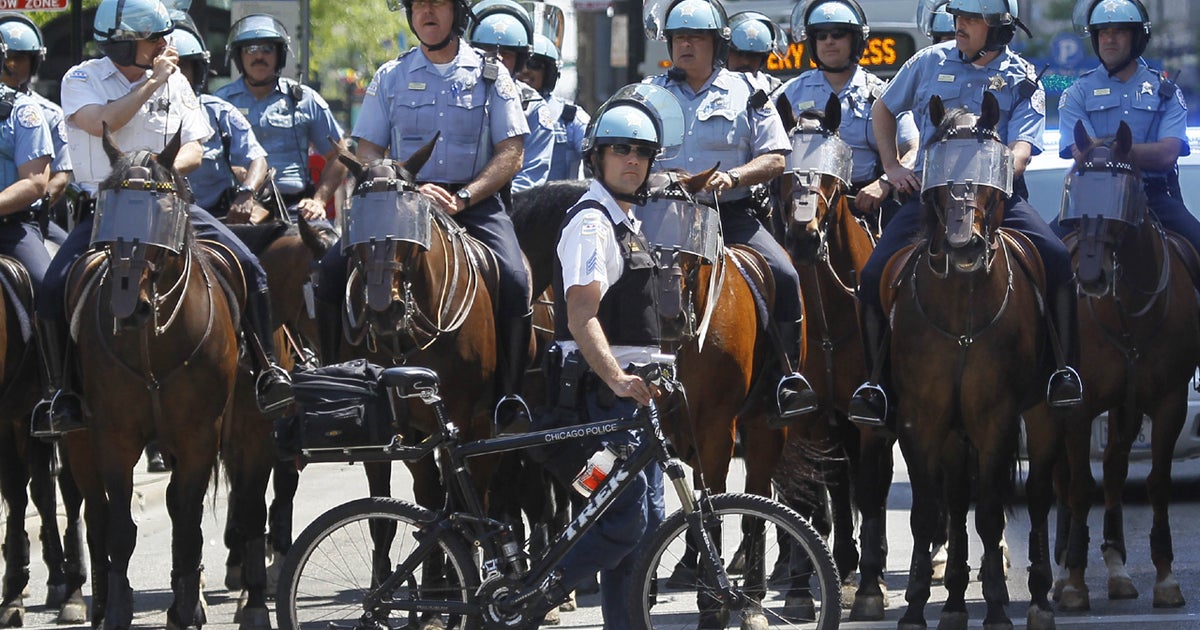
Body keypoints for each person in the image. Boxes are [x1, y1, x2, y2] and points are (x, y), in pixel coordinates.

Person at [32, 0, 292, 436]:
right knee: (52, 288)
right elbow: (103, 123)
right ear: (123, 44)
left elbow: (194, 147)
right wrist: (152, 83)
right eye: (154, 38)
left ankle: (267, 372)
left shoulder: (176, 81)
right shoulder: (82, 78)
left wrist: (155, 168)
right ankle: (63, 393)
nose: (164, 45)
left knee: (249, 266)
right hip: (107, 209)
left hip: (170, 202)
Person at [849, 0, 1082, 426]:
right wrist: (892, 167)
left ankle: (1062, 373)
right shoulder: (927, 61)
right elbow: (884, 108)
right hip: (931, 200)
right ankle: (876, 386)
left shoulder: (1023, 76)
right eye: (959, 17)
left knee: (1057, 258)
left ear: (998, 28)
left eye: (972, 19)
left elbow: (1022, 150)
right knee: (872, 274)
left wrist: (994, 172)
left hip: (996, 201)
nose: (960, 25)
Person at [314, 0, 534, 432]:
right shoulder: (390, 76)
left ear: (457, 13)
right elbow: (368, 151)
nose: (427, 13)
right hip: (400, 203)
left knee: (515, 278)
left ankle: (508, 399)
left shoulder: (492, 75)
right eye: (418, 5)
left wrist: (463, 197)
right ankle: (334, 387)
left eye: (437, 4)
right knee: (330, 270)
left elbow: (511, 153)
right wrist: (408, 188)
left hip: (472, 204)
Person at [538, 84, 678, 628]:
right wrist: (619, 379)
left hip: (631, 398)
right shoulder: (592, 222)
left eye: (642, 151)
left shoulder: (624, 221)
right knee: (623, 524)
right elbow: (581, 315)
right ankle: (533, 598)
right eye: (621, 149)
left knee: (645, 530)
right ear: (596, 157)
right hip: (601, 397)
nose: (632, 160)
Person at [645, 0, 817, 424]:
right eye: (678, 38)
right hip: (660, 217)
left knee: (785, 274)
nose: (685, 45)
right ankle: (586, 380)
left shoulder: (748, 93)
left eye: (696, 38)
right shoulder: (648, 94)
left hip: (729, 214)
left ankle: (785, 381)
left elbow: (776, 157)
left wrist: (734, 177)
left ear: (717, 45)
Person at [1055, 1, 1200, 265]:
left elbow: (1168, 153)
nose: (1109, 39)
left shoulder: (1166, 91)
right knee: (1046, 254)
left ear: (1137, 38)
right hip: (1092, 199)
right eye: (1103, 32)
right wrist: (1120, 150)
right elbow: (1083, 153)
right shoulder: (1076, 93)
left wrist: (1105, 148)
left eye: (1119, 31)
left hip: (1152, 197)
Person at [781, 0, 920, 229]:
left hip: (867, 203)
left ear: (855, 41)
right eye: (821, 36)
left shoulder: (882, 94)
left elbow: (914, 149)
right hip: (803, 204)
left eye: (838, 34)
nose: (829, 41)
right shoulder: (788, 94)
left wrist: (885, 183)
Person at [214, 14, 344, 226]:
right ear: (239, 56)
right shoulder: (219, 103)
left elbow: (339, 155)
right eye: (251, 49)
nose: (259, 56)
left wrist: (318, 201)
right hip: (237, 209)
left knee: (326, 245)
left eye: (267, 49)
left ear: (279, 55)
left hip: (295, 211)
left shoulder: (304, 99)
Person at [171, 16, 270, 222]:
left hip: (214, 219)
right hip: (157, 220)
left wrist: (246, 193)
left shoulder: (219, 112)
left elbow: (257, 159)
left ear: (197, 71)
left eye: (183, 67)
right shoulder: (139, 113)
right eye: (168, 67)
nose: (175, 75)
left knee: (255, 247)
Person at [465, 0, 554, 191]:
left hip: (507, 203)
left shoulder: (533, 107)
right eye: (487, 50)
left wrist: (477, 196)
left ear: (520, 59)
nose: (497, 59)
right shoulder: (453, 94)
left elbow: (530, 178)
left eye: (507, 53)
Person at [0, 13, 71, 245]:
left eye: (19, 58)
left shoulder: (38, 112)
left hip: (20, 220)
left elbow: (55, 178)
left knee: (64, 266)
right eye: (8, 58)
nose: (11, 66)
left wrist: (36, 209)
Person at [518, 33, 590, 180]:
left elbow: (598, 154)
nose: (525, 70)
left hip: (557, 195)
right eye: (520, 63)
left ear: (549, 72)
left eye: (534, 64)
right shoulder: (493, 109)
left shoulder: (570, 117)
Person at [726, 10, 787, 91]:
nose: (745, 62)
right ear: (725, 54)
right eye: (739, 54)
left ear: (763, 59)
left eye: (753, 56)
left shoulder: (774, 90)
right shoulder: (712, 89)